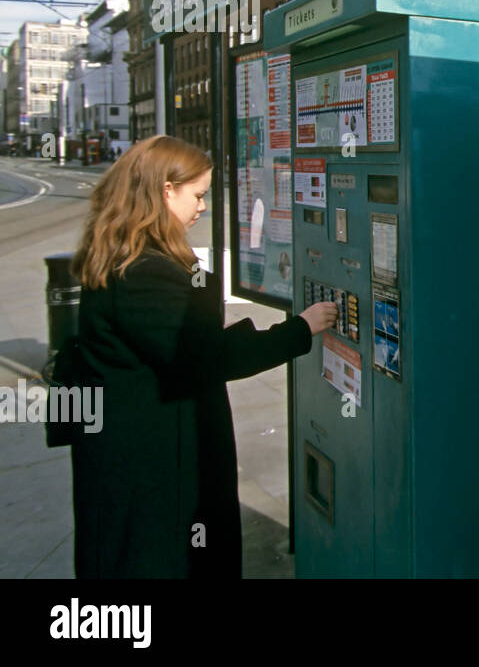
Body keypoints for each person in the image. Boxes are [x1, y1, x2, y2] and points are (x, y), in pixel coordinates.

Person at [69, 135, 338, 578]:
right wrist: (301, 327)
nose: (203, 207)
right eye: (197, 194)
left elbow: (183, 345)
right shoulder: (146, 272)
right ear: (164, 190)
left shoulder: (129, 257)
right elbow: (211, 358)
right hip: (156, 477)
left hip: (141, 462)